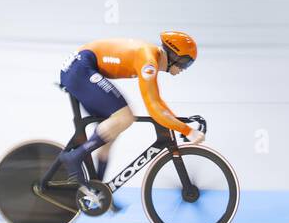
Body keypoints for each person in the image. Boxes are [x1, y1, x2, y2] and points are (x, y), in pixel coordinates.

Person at [48, 31, 203, 187]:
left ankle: (99, 188)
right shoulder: (148, 62)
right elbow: (154, 108)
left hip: (80, 67)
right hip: (80, 69)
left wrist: (178, 123)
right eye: (185, 62)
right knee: (125, 117)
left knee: (112, 131)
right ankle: (75, 157)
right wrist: (187, 131)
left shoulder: (151, 57)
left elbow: (158, 102)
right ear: (174, 55)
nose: (185, 67)